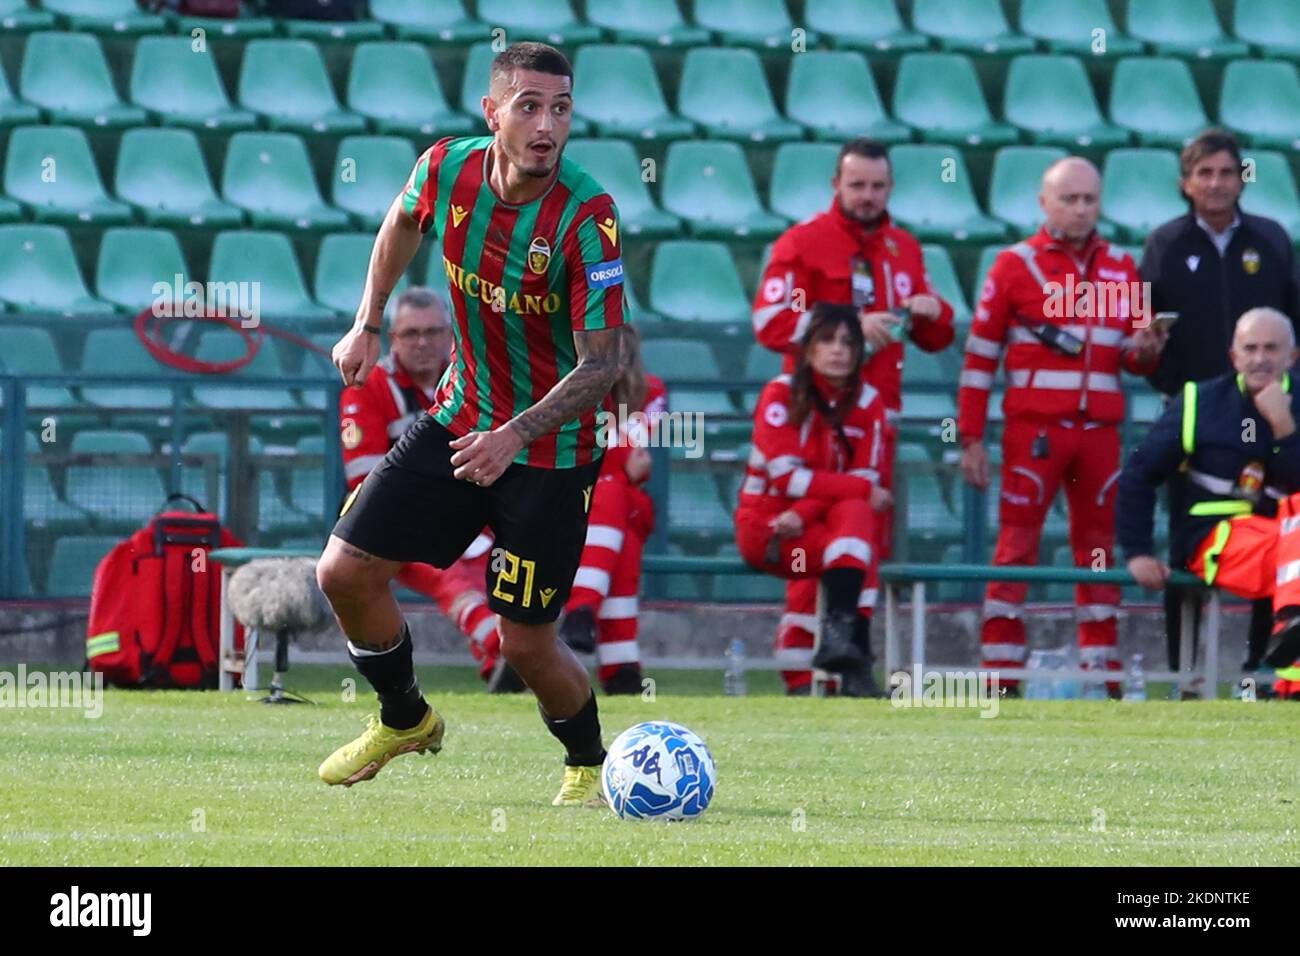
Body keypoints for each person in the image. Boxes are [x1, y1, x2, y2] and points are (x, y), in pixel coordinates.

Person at [315, 42, 628, 807]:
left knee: (524, 642)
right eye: (528, 106)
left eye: (560, 108)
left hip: (549, 453)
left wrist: (515, 435)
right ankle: (406, 717)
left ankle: (589, 764)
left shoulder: (589, 217)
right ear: (493, 114)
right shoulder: (446, 168)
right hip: (458, 420)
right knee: (343, 573)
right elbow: (400, 219)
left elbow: (603, 365)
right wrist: (367, 322)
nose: (546, 124)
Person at [957, 156, 1167, 696]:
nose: (1079, 209)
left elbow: (1133, 361)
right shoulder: (1012, 265)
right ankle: (999, 673)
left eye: (1089, 200)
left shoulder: (1123, 267)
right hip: (1033, 433)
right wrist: (971, 438)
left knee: (1097, 547)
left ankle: (1101, 670)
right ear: (1043, 203)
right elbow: (979, 357)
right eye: (1068, 199)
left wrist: (1146, 349)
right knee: (1016, 546)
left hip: (1098, 435)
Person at [752, 137, 953, 686]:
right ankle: (798, 674)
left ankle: (850, 660)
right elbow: (769, 320)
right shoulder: (803, 242)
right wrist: (842, 325)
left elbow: (937, 337)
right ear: (836, 185)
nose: (867, 196)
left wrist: (934, 311)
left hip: (876, 418)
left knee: (861, 539)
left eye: (877, 186)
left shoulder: (904, 248)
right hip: (814, 418)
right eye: (857, 184)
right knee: (810, 542)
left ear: (890, 187)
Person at [1140, 128, 1300, 673]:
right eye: (1204, 173)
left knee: (1278, 524)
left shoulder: (1272, 240)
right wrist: (1150, 357)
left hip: (1267, 411)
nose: (1216, 183)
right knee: (1191, 540)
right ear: (1186, 183)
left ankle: (1265, 665)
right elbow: (1148, 345)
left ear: (1242, 179)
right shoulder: (1165, 244)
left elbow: (1292, 322)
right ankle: (1182, 670)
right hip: (1196, 418)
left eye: (1227, 172)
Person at [337, 287, 522, 693]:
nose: (423, 343)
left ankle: (501, 662)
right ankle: (504, 648)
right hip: (387, 520)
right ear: (392, 339)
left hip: (468, 509)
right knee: (449, 574)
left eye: (433, 332)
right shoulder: (369, 385)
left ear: (451, 335)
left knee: (504, 554)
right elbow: (364, 480)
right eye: (411, 334)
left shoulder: (471, 383)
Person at [1118, 307, 1300, 695]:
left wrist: (1284, 426)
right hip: (1217, 535)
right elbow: (1138, 474)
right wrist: (1137, 551)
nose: (1260, 358)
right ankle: (1284, 675)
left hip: (1286, 536)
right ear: (1233, 357)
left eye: (1272, 348)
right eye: (1250, 348)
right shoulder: (1199, 401)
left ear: (1292, 357)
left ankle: (1275, 669)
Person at [736, 303, 888, 697]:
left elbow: (857, 483)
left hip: (815, 527)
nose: (838, 350)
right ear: (807, 349)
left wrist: (808, 511)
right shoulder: (778, 394)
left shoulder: (869, 402)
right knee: (858, 526)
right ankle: (850, 659)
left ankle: (843, 647)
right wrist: (858, 491)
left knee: (857, 530)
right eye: (826, 340)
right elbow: (787, 478)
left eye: (848, 342)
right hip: (769, 530)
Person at [558, 325, 666, 694]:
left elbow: (634, 458)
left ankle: (581, 609)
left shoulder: (651, 391)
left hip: (618, 508)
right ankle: (621, 667)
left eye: (616, 352)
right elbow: (608, 455)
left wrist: (615, 460)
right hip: (571, 504)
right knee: (620, 518)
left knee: (613, 491)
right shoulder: (566, 390)